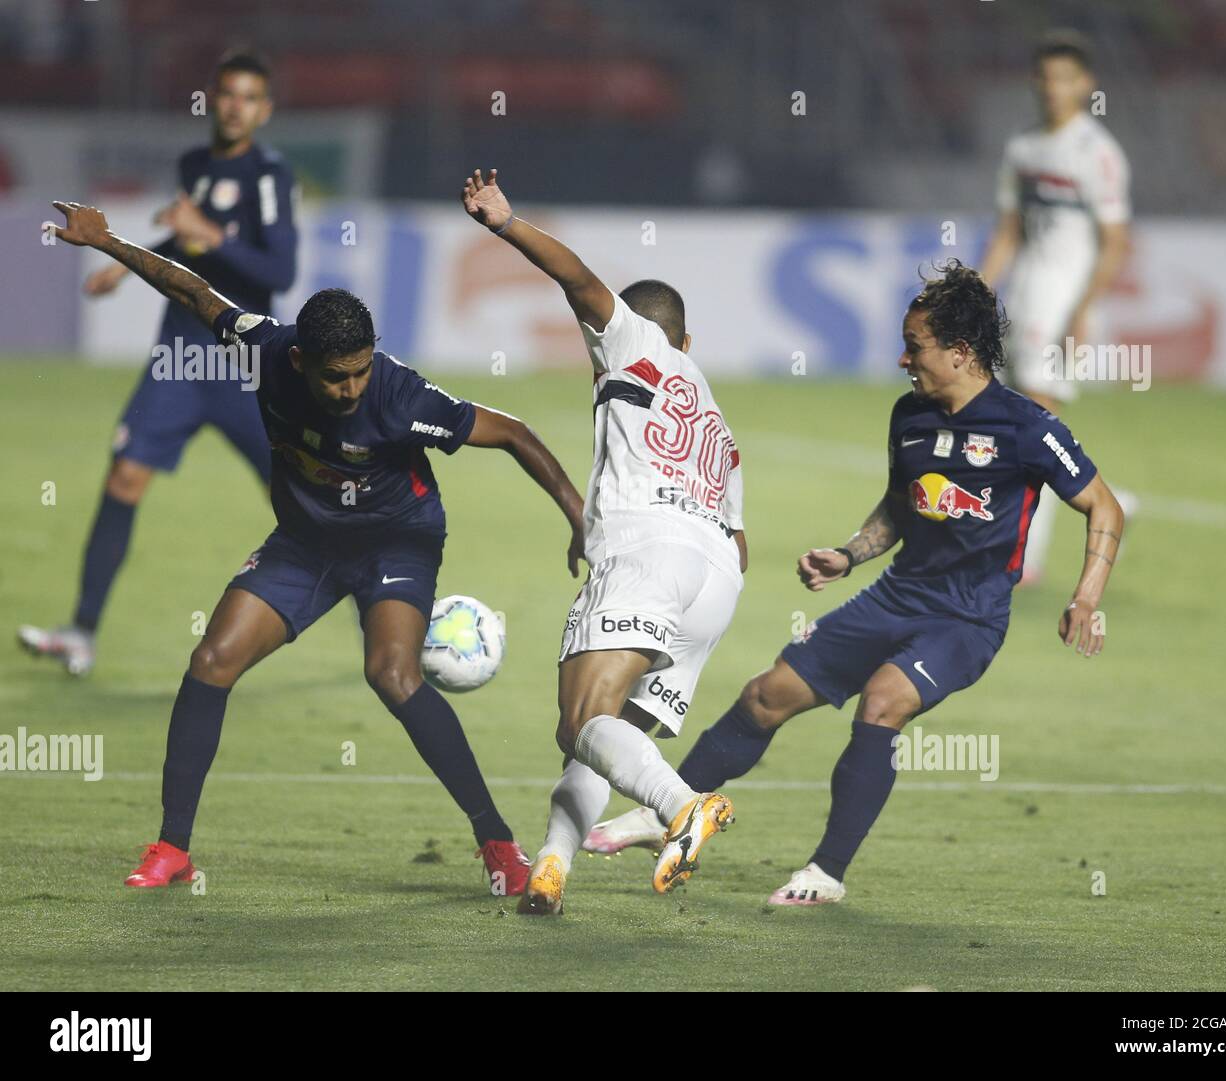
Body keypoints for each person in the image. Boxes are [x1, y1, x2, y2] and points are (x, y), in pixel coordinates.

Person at [47, 198, 588, 896]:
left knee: (392, 674)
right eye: (337, 375)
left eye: (360, 370)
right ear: (300, 359)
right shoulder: (266, 348)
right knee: (211, 660)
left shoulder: (399, 397)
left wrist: (577, 512)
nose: (350, 387)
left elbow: (512, 430)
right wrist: (107, 240)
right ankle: (172, 847)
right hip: (306, 542)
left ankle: (497, 841)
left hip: (398, 537)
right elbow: (189, 286)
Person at [587, 261, 1124, 906]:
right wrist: (849, 554)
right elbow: (901, 503)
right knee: (765, 696)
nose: (902, 359)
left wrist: (1086, 597)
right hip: (894, 597)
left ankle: (826, 873)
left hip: (966, 620)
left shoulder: (1026, 426)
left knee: (882, 702)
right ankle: (663, 813)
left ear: (959, 352)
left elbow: (1104, 506)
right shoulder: (910, 416)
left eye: (914, 346)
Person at [461, 169, 746, 914]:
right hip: (715, 579)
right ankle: (551, 868)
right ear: (695, 341)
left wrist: (505, 223)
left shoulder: (631, 342)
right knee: (603, 733)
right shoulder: (716, 422)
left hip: (646, 552)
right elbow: (741, 545)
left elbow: (580, 280)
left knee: (583, 718)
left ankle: (681, 805)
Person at [20, 52, 298, 674]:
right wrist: (125, 266)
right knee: (124, 478)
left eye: (250, 97)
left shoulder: (269, 178)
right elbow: (185, 238)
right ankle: (81, 631)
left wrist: (210, 233)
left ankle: (382, 613)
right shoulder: (196, 165)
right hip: (178, 356)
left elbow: (279, 272)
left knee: (299, 493)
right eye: (227, 93)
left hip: (240, 364)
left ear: (264, 110)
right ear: (215, 98)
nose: (235, 106)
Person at [978, 30, 1135, 584]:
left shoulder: (1097, 152)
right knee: (1008, 422)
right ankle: (1111, 502)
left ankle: (1026, 560)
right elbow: (1008, 232)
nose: (1053, 89)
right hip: (1023, 294)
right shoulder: (1023, 149)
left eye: (1065, 78)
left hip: (1063, 299)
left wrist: (1083, 308)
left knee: (1034, 421)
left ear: (1086, 84)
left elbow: (1115, 240)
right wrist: (979, 289)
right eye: (1045, 78)